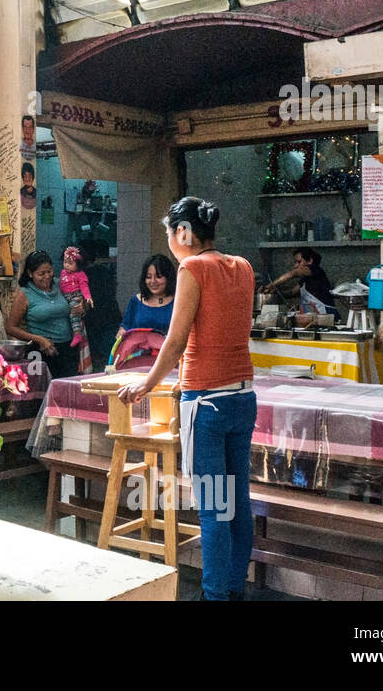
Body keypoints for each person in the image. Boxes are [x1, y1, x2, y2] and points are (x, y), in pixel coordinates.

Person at [117, 197, 256, 602]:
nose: (169, 241)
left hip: (206, 403)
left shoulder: (192, 268)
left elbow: (176, 342)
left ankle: (214, 597)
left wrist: (145, 385)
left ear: (184, 233)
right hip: (242, 398)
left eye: (169, 232)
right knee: (238, 504)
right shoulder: (243, 267)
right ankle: (234, 590)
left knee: (213, 507)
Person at [6, 250, 87, 379]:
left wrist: (82, 305)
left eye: (49, 271)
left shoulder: (61, 284)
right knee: (42, 394)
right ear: (30, 273)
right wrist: (40, 340)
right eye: (41, 274)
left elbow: (78, 300)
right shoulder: (25, 293)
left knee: (67, 391)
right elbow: (11, 328)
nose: (47, 276)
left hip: (68, 349)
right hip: (40, 351)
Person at [116, 254, 177, 340]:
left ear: (168, 277)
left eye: (158, 276)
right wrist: (121, 334)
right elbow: (125, 327)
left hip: (169, 352)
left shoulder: (178, 302)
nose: (153, 281)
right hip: (139, 352)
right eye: (148, 277)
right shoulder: (136, 301)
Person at [263, 247, 335, 314]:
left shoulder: (316, 270)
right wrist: (275, 292)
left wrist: (269, 286)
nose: (296, 266)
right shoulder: (305, 280)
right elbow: (292, 293)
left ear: (310, 261)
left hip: (326, 313)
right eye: (295, 262)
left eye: (299, 262)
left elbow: (292, 274)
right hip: (314, 315)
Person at [60, 246, 93, 348]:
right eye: (65, 262)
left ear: (78, 265)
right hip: (65, 297)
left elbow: (84, 286)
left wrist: (87, 297)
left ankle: (77, 333)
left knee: (74, 313)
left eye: (70, 263)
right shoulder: (62, 273)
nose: (66, 265)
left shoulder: (80, 275)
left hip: (75, 296)